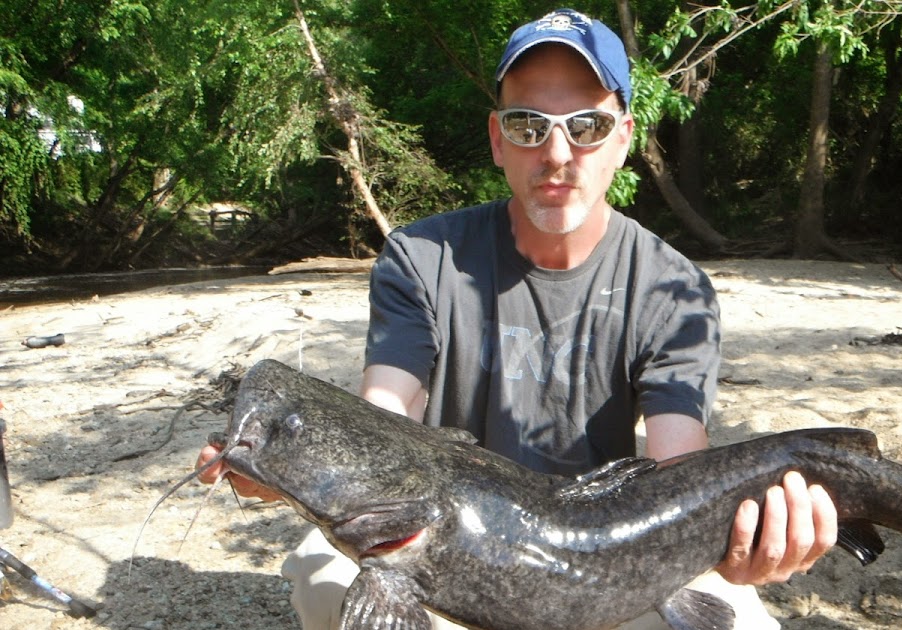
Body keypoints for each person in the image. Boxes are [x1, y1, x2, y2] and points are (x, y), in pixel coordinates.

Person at [196, 8, 837, 629]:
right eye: (530, 125)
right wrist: (287, 473)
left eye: (586, 126)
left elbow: (676, 482)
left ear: (623, 139)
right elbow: (384, 420)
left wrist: (755, 548)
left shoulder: (673, 287)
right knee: (324, 582)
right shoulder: (420, 259)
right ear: (497, 139)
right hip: (442, 555)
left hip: (598, 566)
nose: (557, 153)